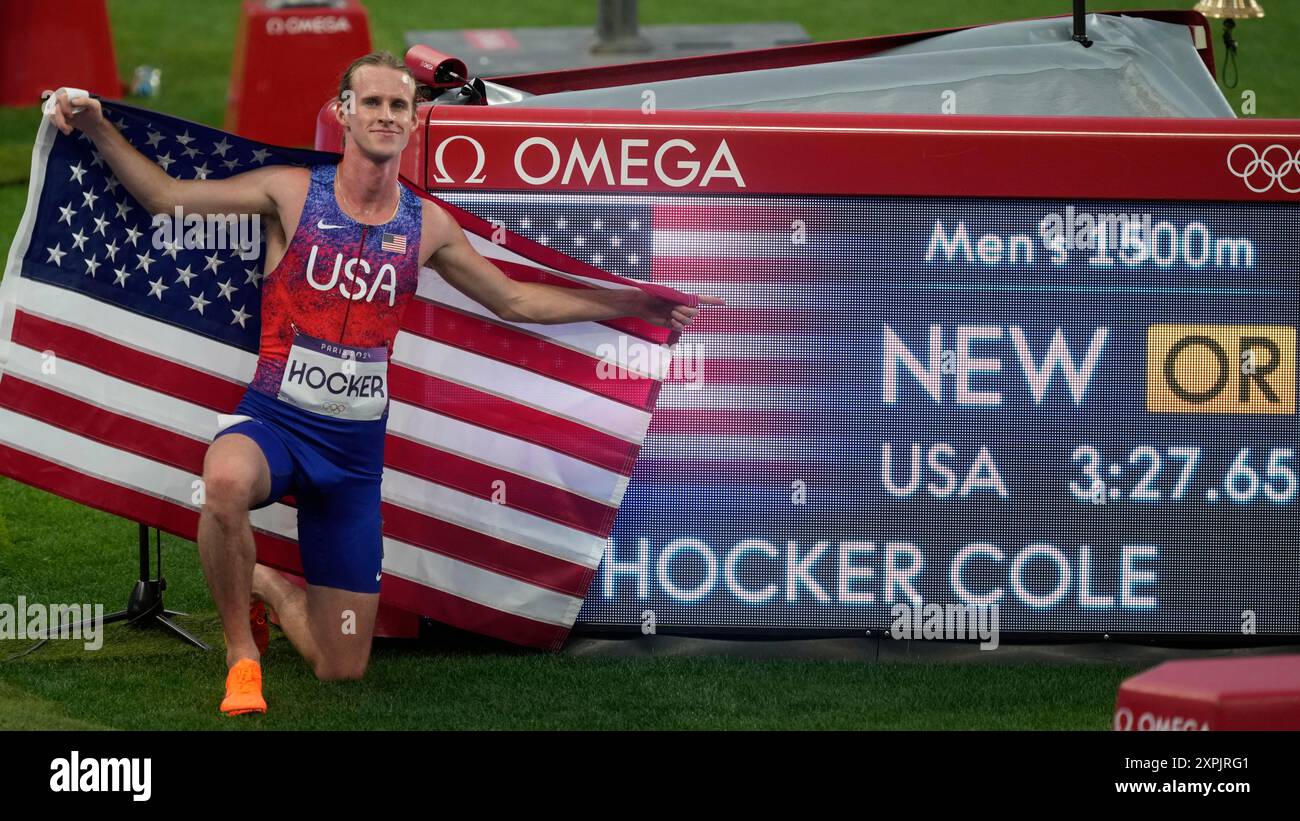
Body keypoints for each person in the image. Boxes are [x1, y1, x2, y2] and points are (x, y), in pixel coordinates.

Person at [46, 50, 722, 716]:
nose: (385, 114)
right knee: (223, 483)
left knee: (343, 665)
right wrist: (100, 123)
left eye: (398, 104)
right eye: (371, 102)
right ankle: (240, 655)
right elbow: (167, 197)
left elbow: (516, 302)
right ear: (343, 112)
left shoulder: (426, 224)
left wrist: (632, 304)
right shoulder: (289, 192)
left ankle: (273, 588)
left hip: (350, 461)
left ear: (412, 121)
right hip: (276, 424)